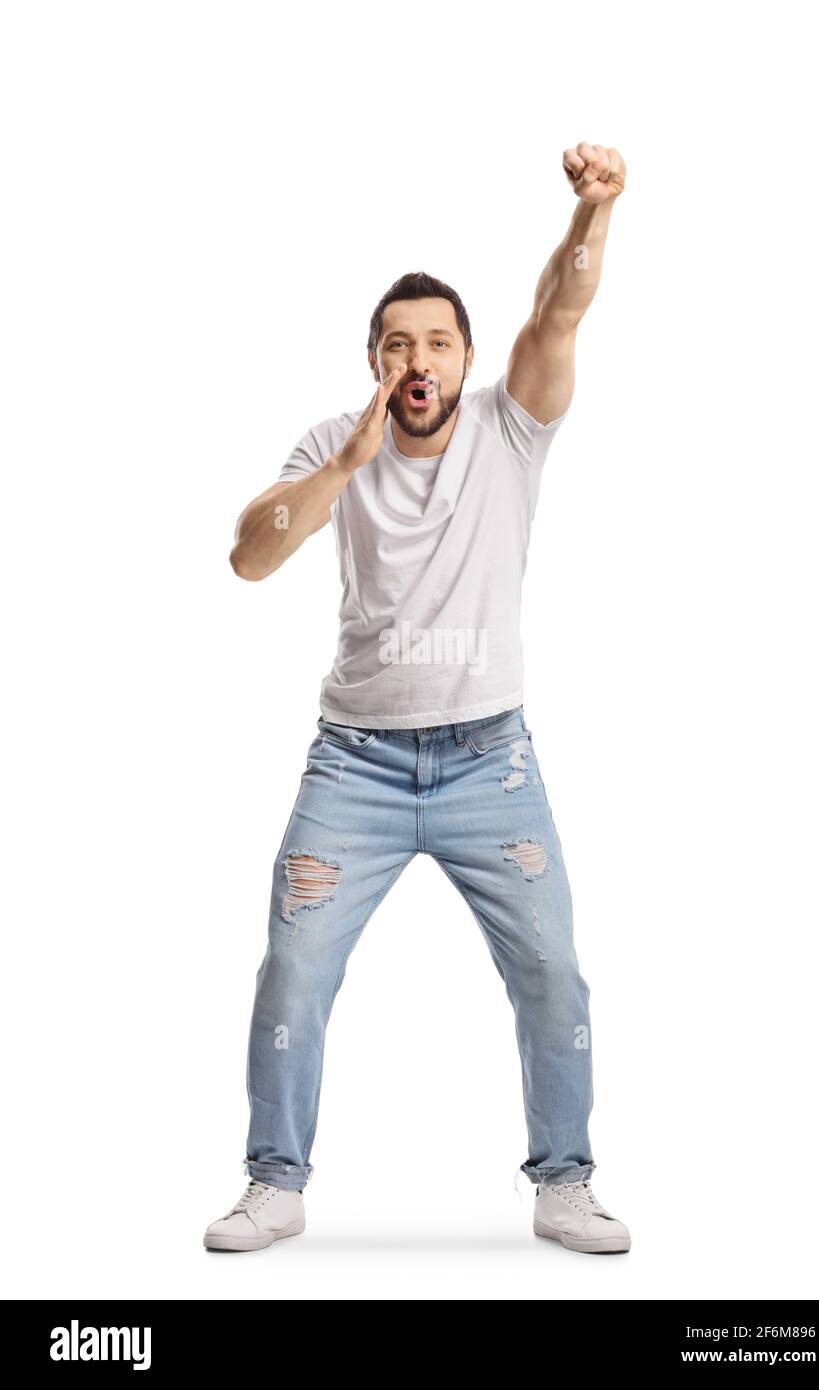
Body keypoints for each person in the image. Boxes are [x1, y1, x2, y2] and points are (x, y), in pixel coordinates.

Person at [205, 142, 630, 1255]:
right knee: (293, 961)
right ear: (375, 362)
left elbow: (559, 313)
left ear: (465, 357)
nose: (419, 358)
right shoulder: (326, 450)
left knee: (551, 968)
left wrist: (591, 216)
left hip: (493, 759)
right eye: (398, 343)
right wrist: (343, 464)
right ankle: (274, 1180)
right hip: (355, 764)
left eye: (437, 340)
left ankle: (564, 1179)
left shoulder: (508, 426)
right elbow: (250, 557)